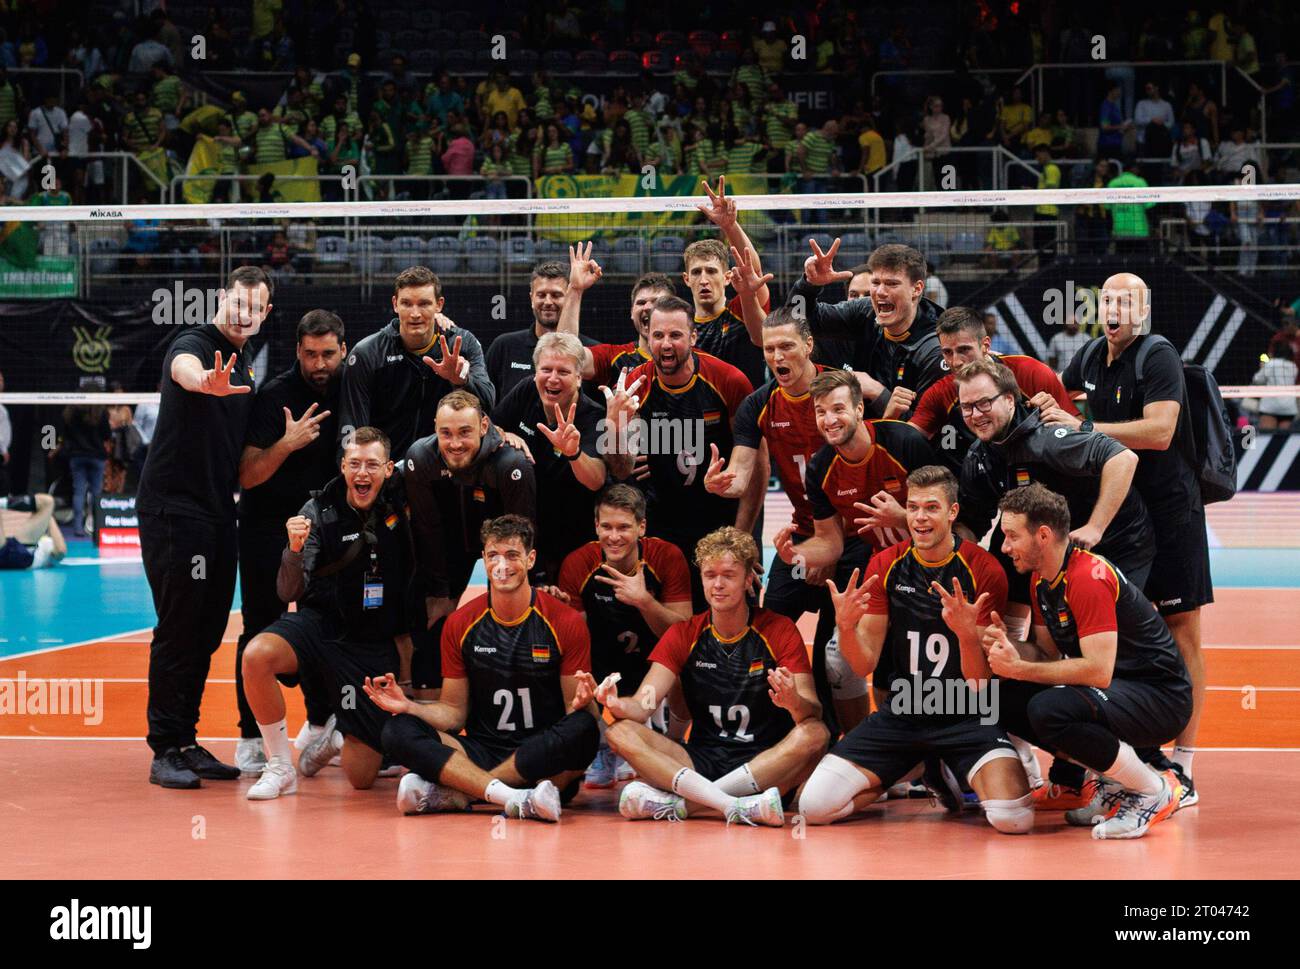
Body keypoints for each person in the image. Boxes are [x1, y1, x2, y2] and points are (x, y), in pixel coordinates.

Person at [1039, 273, 1216, 805]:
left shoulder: (1156, 354)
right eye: (1109, 301)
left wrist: (1086, 427)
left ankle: (1183, 764)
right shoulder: (1092, 355)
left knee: (1181, 629)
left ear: (1143, 309)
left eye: (1127, 301)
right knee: (1119, 631)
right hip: (1125, 515)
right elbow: (1057, 396)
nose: (1116, 309)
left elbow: (1159, 431)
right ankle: (1123, 757)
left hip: (1174, 511)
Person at [798, 465, 1032, 831]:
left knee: (1013, 820)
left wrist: (967, 635)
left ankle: (942, 764)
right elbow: (863, 665)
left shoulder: (983, 569)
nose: (920, 518)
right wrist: (845, 628)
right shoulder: (887, 564)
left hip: (967, 712)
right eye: (912, 507)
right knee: (813, 808)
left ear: (952, 513)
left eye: (931, 508)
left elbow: (981, 682)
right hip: (905, 711)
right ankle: (911, 767)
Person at [708, 307, 884, 733]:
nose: (777, 356)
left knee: (835, 655)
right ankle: (799, 735)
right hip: (803, 536)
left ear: (808, 346)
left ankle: (854, 745)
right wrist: (723, 484)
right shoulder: (759, 405)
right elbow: (743, 473)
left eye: (786, 345)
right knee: (771, 631)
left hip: (858, 537)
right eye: (769, 349)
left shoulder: (842, 392)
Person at [985, 484, 1190, 839]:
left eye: (1012, 536)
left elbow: (1098, 669)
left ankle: (1151, 792)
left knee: (1051, 708)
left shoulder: (1087, 578)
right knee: (1005, 699)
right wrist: (1011, 649)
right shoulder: (1040, 579)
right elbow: (1046, 656)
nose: (1005, 547)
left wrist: (1021, 668)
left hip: (1160, 697)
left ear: (1043, 535)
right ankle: (1116, 785)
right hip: (1119, 690)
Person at [366, 515, 600, 823]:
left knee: (584, 727)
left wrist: (586, 704)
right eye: (494, 555)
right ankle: (514, 797)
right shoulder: (461, 623)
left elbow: (578, 713)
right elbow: (454, 713)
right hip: (482, 750)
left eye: (512, 555)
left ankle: (466, 791)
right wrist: (409, 706)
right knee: (397, 730)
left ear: (530, 560)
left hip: (540, 755)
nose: (502, 564)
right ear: (483, 560)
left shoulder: (563, 621)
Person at [136, 266, 272, 789]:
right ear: (222, 299)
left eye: (255, 308)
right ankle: (165, 747)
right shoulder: (196, 342)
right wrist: (203, 382)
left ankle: (186, 741)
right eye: (238, 304)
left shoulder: (246, 366)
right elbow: (183, 368)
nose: (245, 315)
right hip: (175, 508)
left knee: (210, 627)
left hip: (218, 510)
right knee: (180, 625)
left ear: (265, 314)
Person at [601, 526, 829, 825]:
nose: (718, 585)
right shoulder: (684, 633)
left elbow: (812, 710)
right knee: (619, 731)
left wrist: (792, 701)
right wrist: (617, 704)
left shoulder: (778, 628)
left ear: (748, 579)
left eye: (728, 575)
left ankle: (683, 806)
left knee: (816, 734)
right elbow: (643, 703)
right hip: (701, 760)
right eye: (710, 575)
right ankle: (732, 805)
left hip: (765, 763)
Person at [239, 427, 415, 800]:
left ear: (388, 469)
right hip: (320, 626)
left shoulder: (404, 503)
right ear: (343, 466)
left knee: (362, 778)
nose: (362, 473)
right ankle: (280, 766)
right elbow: (288, 592)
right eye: (354, 464)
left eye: (371, 465)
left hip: (371, 640)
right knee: (256, 655)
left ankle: (337, 735)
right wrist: (294, 549)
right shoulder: (318, 510)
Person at [232, 310, 345, 775]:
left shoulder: (350, 388)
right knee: (261, 625)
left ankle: (320, 724)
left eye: (329, 354)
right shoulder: (273, 396)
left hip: (327, 527)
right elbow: (246, 474)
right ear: (298, 351)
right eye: (311, 354)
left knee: (329, 625)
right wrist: (287, 443)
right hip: (267, 526)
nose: (320, 363)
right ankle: (250, 736)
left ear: (343, 349)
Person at [623, 296, 758, 607]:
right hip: (663, 518)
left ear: (693, 337)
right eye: (658, 335)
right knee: (670, 613)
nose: (666, 344)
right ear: (648, 337)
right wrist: (617, 428)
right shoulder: (635, 383)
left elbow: (757, 460)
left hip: (719, 517)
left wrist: (743, 534)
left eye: (675, 335)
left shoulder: (729, 380)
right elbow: (620, 465)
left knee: (732, 607)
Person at [556, 483, 694, 787]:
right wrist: (562, 615)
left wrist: (643, 601)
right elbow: (575, 643)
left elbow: (683, 633)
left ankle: (673, 743)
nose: (614, 536)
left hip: (653, 666)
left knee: (688, 664)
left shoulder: (666, 557)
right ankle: (602, 746)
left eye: (623, 527)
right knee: (569, 670)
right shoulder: (578, 564)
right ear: (595, 526)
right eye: (606, 526)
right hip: (605, 664)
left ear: (642, 526)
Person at [403, 391, 537, 694]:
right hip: (445, 549)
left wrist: (512, 590)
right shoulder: (420, 457)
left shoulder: (511, 464)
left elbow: (523, 536)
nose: (455, 443)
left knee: (509, 621)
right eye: (445, 433)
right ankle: (427, 700)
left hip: (501, 550)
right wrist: (440, 591)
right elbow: (427, 527)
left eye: (465, 432)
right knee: (425, 609)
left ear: (484, 425)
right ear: (434, 427)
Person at [491, 331, 632, 579]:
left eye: (563, 372)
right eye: (546, 370)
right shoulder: (526, 390)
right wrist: (503, 434)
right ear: (535, 372)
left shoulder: (593, 415)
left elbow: (596, 479)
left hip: (576, 523)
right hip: (532, 516)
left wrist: (573, 453)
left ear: (579, 378)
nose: (553, 379)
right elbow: (491, 425)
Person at [339, 266, 493, 460]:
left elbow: (488, 402)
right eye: (406, 303)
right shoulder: (367, 354)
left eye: (424, 304)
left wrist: (461, 380)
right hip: (387, 472)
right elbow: (352, 430)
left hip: (446, 471)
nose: (415, 314)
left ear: (439, 305)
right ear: (395, 304)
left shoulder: (462, 344)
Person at [909, 307, 1078, 478]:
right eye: (947, 352)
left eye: (964, 350)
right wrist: (888, 408)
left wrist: (1058, 419)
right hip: (976, 487)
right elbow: (905, 441)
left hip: (1041, 482)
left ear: (985, 345)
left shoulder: (1031, 373)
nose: (956, 362)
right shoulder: (940, 392)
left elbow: (1079, 430)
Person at [784, 241, 945, 420]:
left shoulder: (936, 348)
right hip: (862, 433)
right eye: (876, 282)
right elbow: (796, 321)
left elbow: (929, 429)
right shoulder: (865, 311)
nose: (880, 292)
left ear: (917, 289)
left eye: (892, 283)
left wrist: (878, 393)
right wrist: (809, 284)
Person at [683, 178, 772, 389]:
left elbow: (753, 272)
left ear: (728, 277)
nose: (704, 279)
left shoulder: (742, 309)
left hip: (746, 415)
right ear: (686, 279)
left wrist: (730, 227)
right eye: (696, 272)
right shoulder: (681, 326)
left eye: (712, 271)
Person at [559, 244, 674, 387]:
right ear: (632, 313)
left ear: (674, 311)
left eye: (656, 302)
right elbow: (565, 358)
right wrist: (575, 290)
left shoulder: (692, 358)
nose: (648, 307)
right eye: (641, 302)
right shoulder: (615, 357)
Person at [484, 261, 597, 398]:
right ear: (531, 298)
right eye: (541, 295)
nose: (548, 302)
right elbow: (483, 401)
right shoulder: (504, 347)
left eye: (556, 295)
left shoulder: (593, 352)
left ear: (569, 298)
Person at [60, 404, 111, 538]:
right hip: (96, 456)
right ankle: (96, 526)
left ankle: (78, 527)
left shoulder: (70, 413)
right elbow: (107, 435)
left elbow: (64, 435)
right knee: (96, 493)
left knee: (79, 491)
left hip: (77, 456)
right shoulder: (100, 412)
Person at [0, 493, 67, 570]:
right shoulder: (37, 537)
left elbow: (61, 551)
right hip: (10, 549)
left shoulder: (48, 542)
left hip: (21, 554)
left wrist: (49, 515)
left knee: (48, 502)